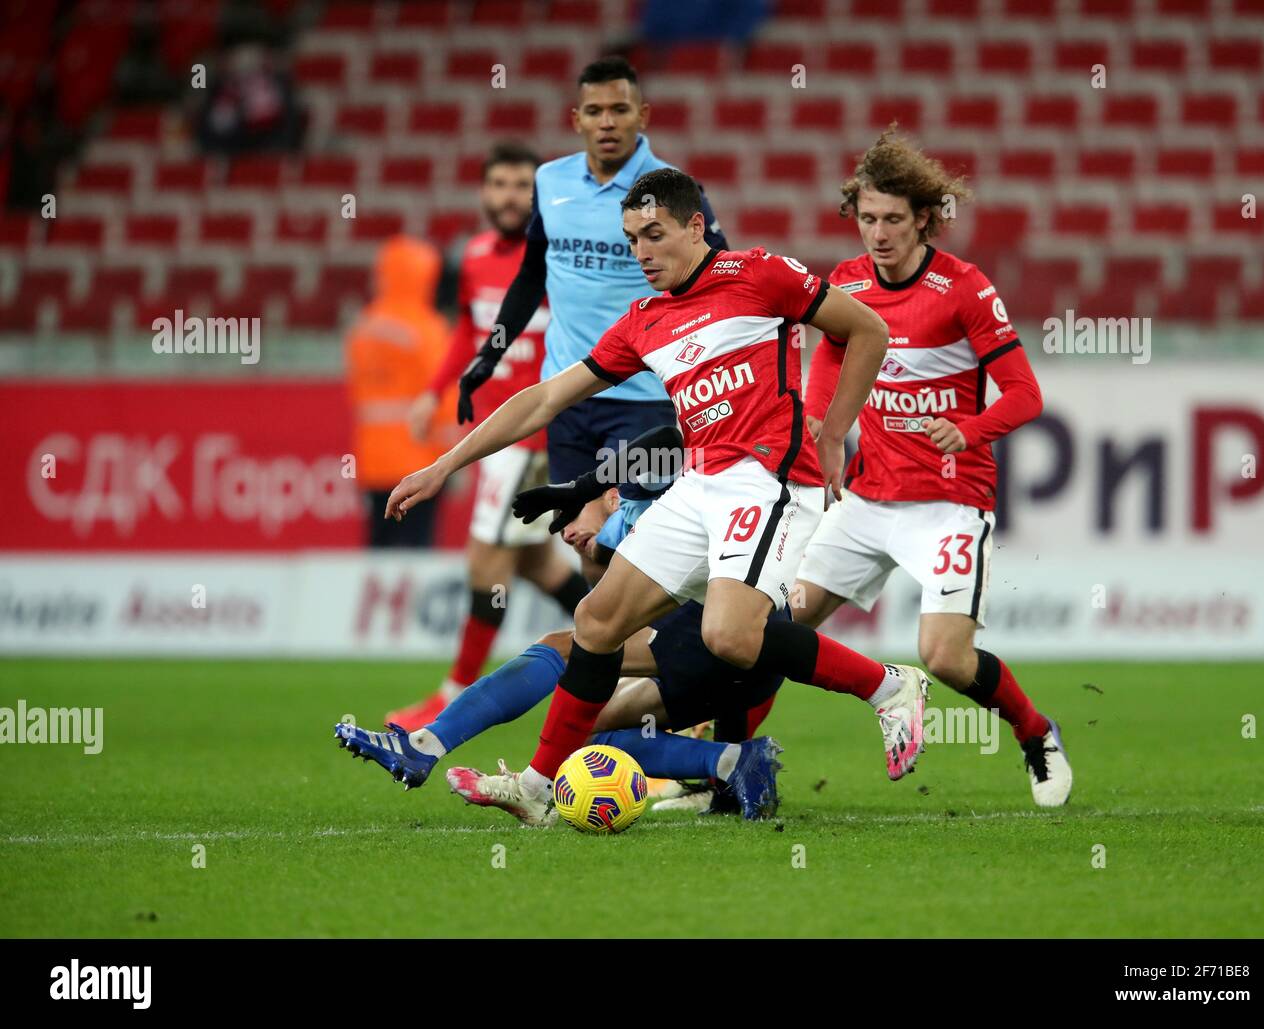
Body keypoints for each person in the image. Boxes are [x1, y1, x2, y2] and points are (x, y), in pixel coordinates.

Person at [383, 168, 930, 824]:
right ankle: (536, 785)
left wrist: (835, 429)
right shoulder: (644, 321)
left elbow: (867, 328)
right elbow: (547, 398)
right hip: (699, 486)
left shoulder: (759, 275)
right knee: (594, 623)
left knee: (729, 634)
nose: (640, 251)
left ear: (696, 226)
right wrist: (446, 462)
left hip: (770, 481)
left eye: (654, 234)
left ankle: (891, 687)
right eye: (631, 238)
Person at [798, 128, 1073, 806]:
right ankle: (726, 763)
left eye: (893, 219)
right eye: (867, 218)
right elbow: (832, 352)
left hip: (950, 499)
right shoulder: (849, 282)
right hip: (866, 499)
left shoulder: (965, 289)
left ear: (924, 217)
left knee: (944, 656)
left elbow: (1026, 394)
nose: (879, 233)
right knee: (769, 624)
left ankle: (1036, 732)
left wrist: (970, 428)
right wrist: (820, 420)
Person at [334, 427, 788, 822]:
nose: (565, 532)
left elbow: (669, 441)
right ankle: (736, 762)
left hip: (732, 632)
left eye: (569, 515)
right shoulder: (622, 543)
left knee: (567, 646)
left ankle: (432, 747)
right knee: (589, 733)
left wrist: (595, 478)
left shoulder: (652, 492)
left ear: (611, 493)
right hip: (724, 644)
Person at [454, 56, 727, 581]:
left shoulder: (672, 190)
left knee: (634, 540)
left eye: (619, 109)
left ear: (642, 115)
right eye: (595, 110)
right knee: (582, 539)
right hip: (568, 396)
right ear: (575, 118)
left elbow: (718, 278)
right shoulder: (550, 181)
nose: (607, 121)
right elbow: (532, 273)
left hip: (644, 398)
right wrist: (490, 355)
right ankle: (615, 664)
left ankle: (659, 660)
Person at [386, 142, 587, 727]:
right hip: (492, 436)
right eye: (498, 184)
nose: (509, 196)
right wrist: (435, 389)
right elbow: (471, 333)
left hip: (532, 436)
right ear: (483, 192)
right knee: (537, 567)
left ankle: (454, 696)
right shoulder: (474, 256)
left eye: (522, 186)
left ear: (540, 194)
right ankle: (640, 638)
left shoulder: (557, 259)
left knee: (485, 562)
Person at [345, 236, 453, 548]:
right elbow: (442, 396)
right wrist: (451, 459)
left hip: (373, 460)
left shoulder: (362, 328)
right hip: (418, 460)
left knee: (380, 545)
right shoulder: (428, 328)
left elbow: (358, 394)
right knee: (416, 548)